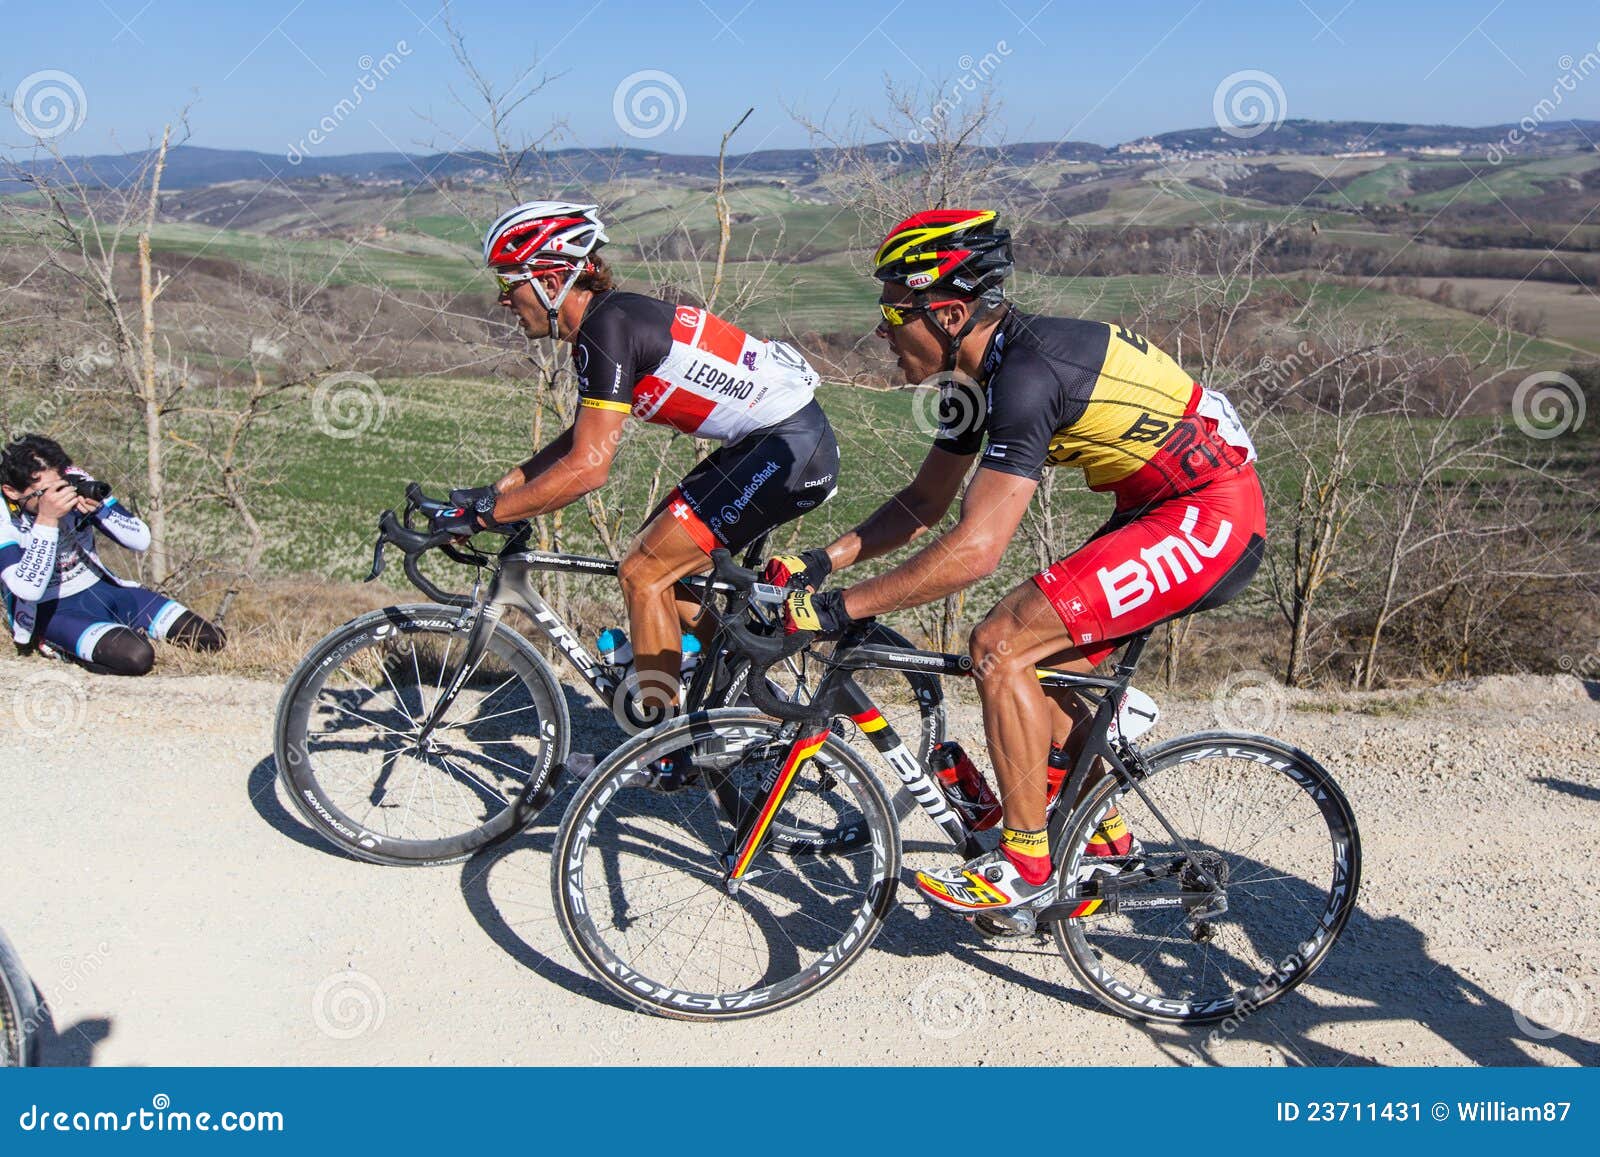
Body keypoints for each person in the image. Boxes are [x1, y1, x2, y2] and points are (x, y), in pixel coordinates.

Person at [769, 208, 1265, 915]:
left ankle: (1026, 865)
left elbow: (977, 550)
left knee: (1001, 643)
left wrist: (838, 609)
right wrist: (823, 561)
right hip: (1158, 507)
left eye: (894, 311)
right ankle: (1105, 842)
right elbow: (925, 501)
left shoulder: (1028, 376)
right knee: (1044, 669)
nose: (881, 330)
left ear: (948, 314)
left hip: (1212, 516)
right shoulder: (977, 376)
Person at [446, 201, 839, 738]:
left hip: (788, 446)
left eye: (508, 282)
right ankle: (740, 686)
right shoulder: (612, 320)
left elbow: (588, 469)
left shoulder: (605, 330)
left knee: (643, 571)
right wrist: (496, 492)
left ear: (552, 281)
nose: (502, 299)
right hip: (771, 442)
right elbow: (581, 437)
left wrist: (485, 517)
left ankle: (665, 746)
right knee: (666, 571)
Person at [1, 434, 225, 675]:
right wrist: (47, 519)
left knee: (211, 639)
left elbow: (140, 540)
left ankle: (113, 632)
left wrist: (99, 511)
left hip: (104, 589)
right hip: (53, 610)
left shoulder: (72, 478)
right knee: (138, 657)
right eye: (45, 491)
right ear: (12, 492)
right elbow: (27, 590)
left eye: (62, 484)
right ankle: (56, 645)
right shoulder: (4, 520)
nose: (59, 495)